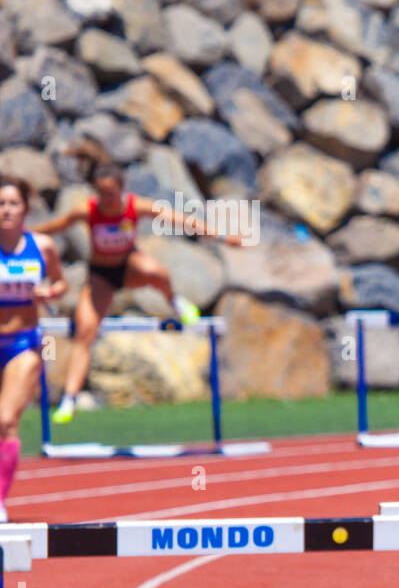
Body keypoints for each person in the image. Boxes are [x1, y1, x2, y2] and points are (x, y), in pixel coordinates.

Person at [31, 150, 243, 423]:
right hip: (101, 275)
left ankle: (175, 301)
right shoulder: (88, 211)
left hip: (129, 266)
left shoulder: (136, 206)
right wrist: (21, 236)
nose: (107, 200)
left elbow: (180, 220)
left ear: (121, 190)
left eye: (111, 193)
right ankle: (69, 400)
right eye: (102, 193)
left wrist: (222, 237)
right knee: (85, 332)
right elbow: (55, 226)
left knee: (155, 270)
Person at [0, 177, 68, 521]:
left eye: (13, 203)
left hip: (22, 343)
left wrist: (50, 293)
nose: (6, 210)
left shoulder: (41, 246)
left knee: (6, 420)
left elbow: (61, 282)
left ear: (25, 208)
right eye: (1, 204)